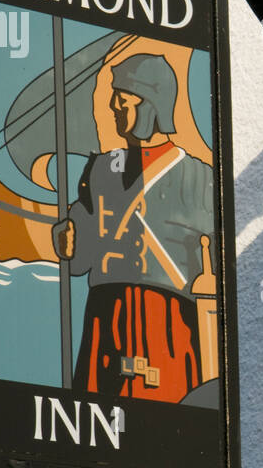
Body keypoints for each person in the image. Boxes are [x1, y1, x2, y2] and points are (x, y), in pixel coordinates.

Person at [52, 53, 217, 403]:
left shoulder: (200, 177)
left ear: (151, 103)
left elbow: (220, 267)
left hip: (168, 322)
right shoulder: (99, 171)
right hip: (104, 316)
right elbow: (80, 260)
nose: (113, 106)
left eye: (123, 98)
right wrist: (67, 242)